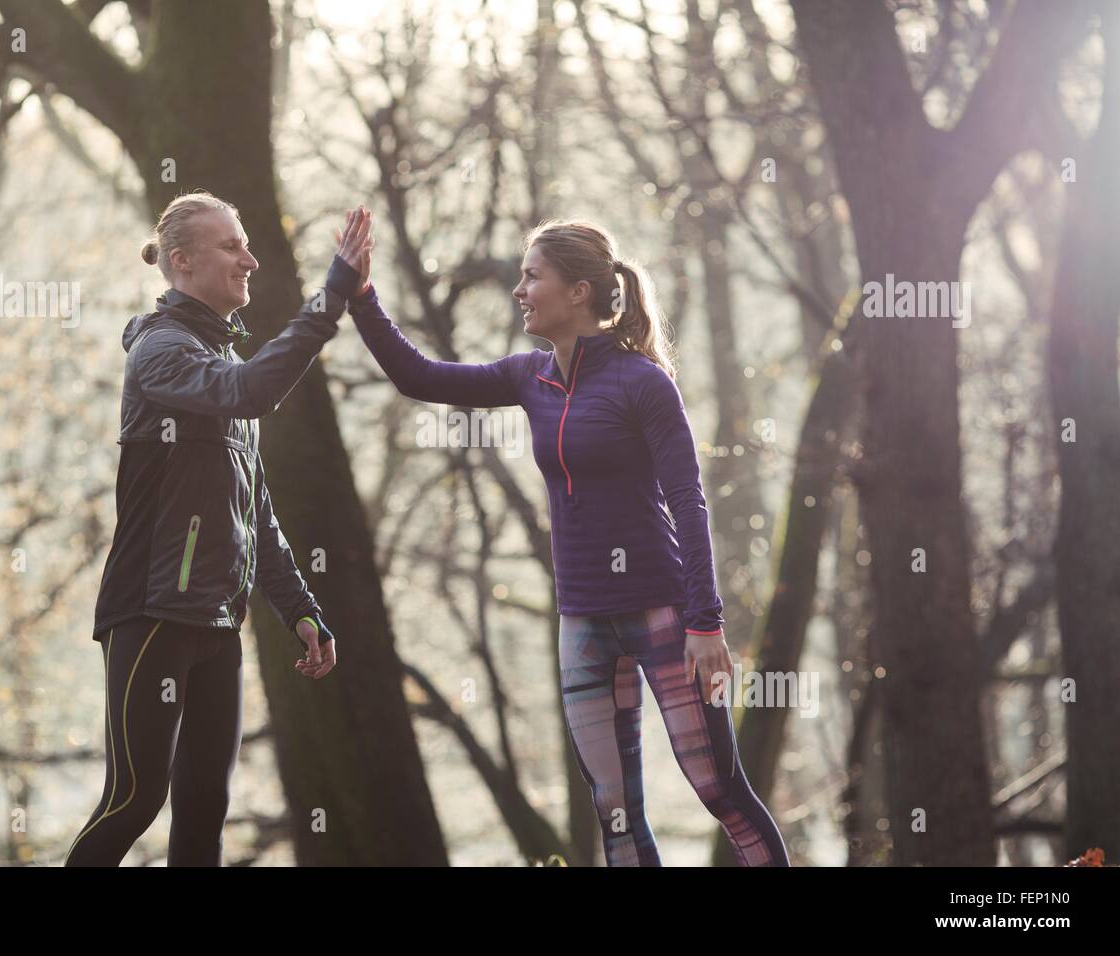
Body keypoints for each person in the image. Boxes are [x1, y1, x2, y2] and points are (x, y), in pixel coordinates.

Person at [347, 210, 789, 867]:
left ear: (578, 292)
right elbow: (420, 378)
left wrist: (706, 622)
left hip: (663, 612)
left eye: (532, 277)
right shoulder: (530, 378)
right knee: (615, 812)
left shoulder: (644, 383)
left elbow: (689, 503)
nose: (520, 290)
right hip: (581, 620)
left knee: (719, 792)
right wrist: (361, 298)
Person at [65, 192, 372, 866]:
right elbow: (252, 392)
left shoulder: (223, 362)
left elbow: (256, 518)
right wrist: (329, 300)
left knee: (204, 811)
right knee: (135, 799)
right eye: (233, 246)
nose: (251, 259)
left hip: (214, 623)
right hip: (150, 614)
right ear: (182, 261)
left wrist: (302, 612)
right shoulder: (160, 352)